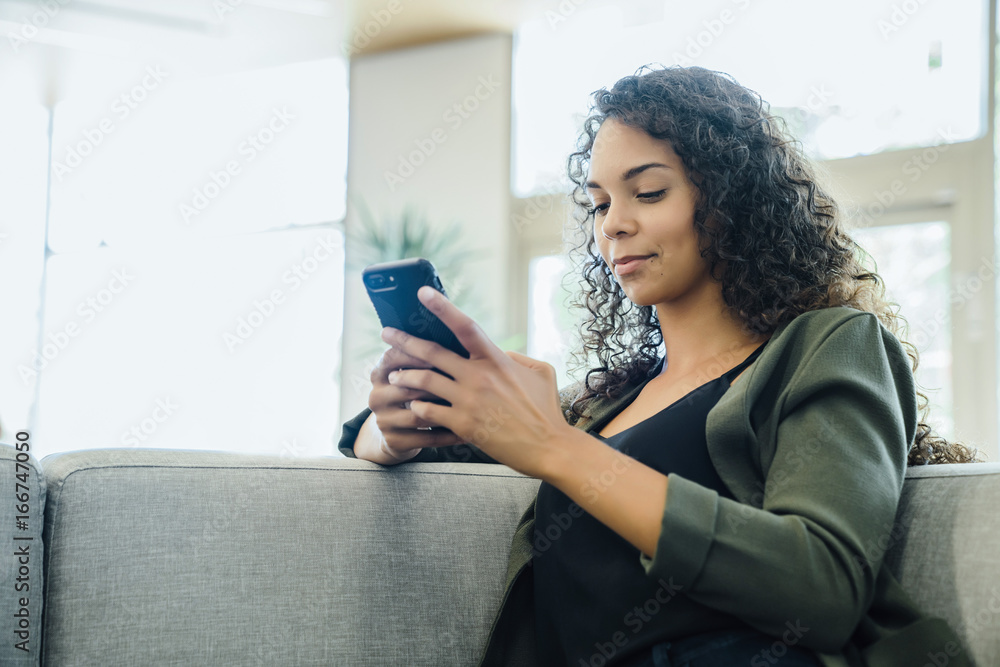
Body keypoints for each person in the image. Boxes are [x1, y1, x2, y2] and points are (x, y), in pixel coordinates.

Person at [339, 65, 980, 667]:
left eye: (648, 191)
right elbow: (378, 439)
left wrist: (555, 447)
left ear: (734, 200)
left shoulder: (826, 346)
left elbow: (822, 586)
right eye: (598, 203)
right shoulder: (605, 406)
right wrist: (390, 432)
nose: (613, 224)